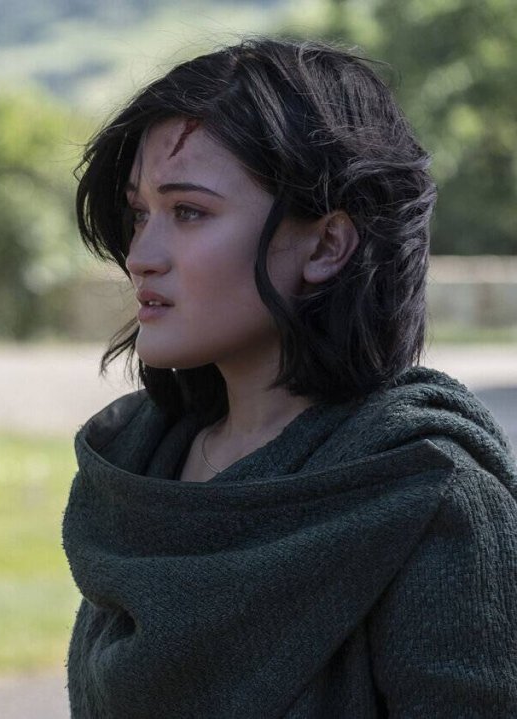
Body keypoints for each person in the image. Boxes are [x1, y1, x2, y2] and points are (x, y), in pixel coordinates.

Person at [62, 38, 517, 717]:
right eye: (139, 214)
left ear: (327, 245)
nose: (140, 256)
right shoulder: (140, 474)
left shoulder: (431, 500)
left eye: (188, 212)